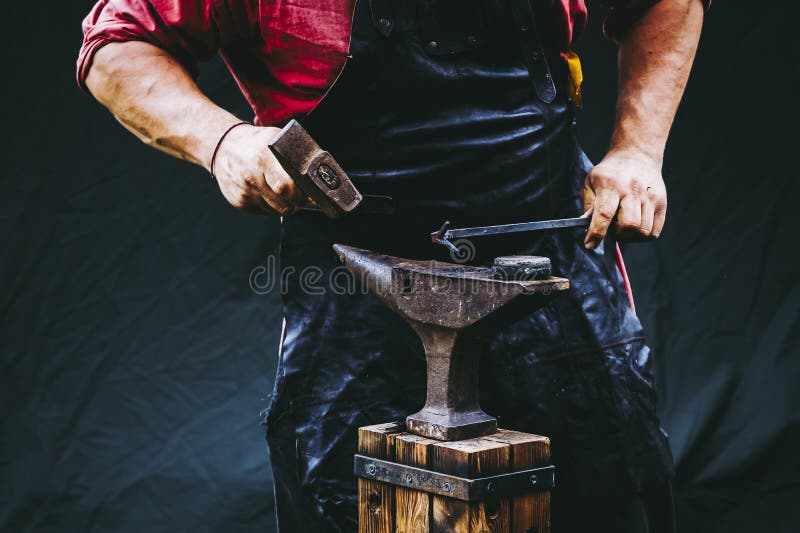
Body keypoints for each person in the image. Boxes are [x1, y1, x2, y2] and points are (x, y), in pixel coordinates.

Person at [77, 0, 706, 531]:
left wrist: (639, 150)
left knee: (608, 494)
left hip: (547, 260)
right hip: (355, 287)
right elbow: (117, 43)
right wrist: (222, 140)